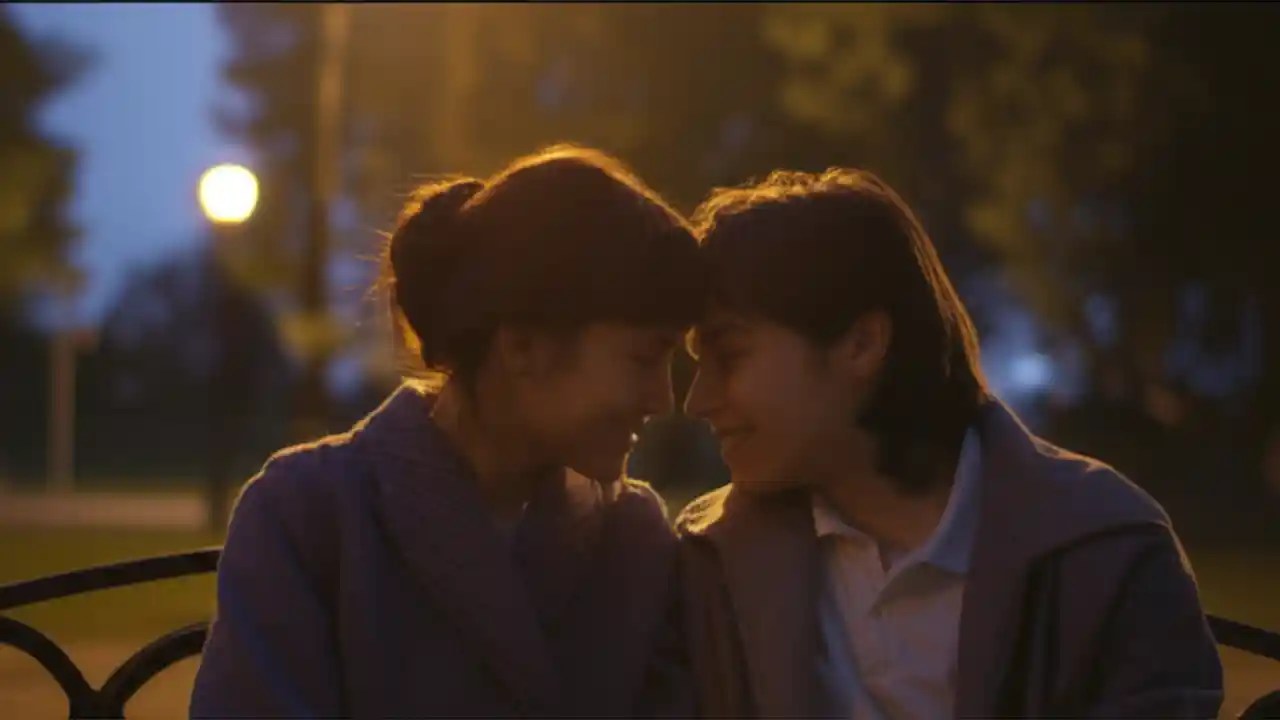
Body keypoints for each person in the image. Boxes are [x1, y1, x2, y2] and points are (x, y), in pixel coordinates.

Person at [675, 168, 1224, 718]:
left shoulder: (1105, 553)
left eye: (731, 355)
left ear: (861, 344)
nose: (696, 401)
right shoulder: (710, 564)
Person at [190, 145, 702, 718]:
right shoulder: (305, 514)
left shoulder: (634, 542)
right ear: (522, 347)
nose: (663, 399)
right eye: (643, 359)